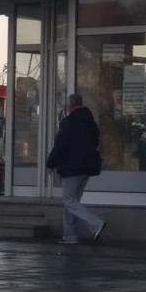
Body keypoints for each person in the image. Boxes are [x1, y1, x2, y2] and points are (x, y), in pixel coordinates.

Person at [46, 93, 105, 245]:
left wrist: (50, 164)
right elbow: (95, 143)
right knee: (72, 201)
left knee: (69, 200)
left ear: (69, 106)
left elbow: (60, 146)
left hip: (72, 167)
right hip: (87, 167)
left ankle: (95, 223)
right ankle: (70, 235)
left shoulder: (69, 122)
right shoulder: (90, 122)